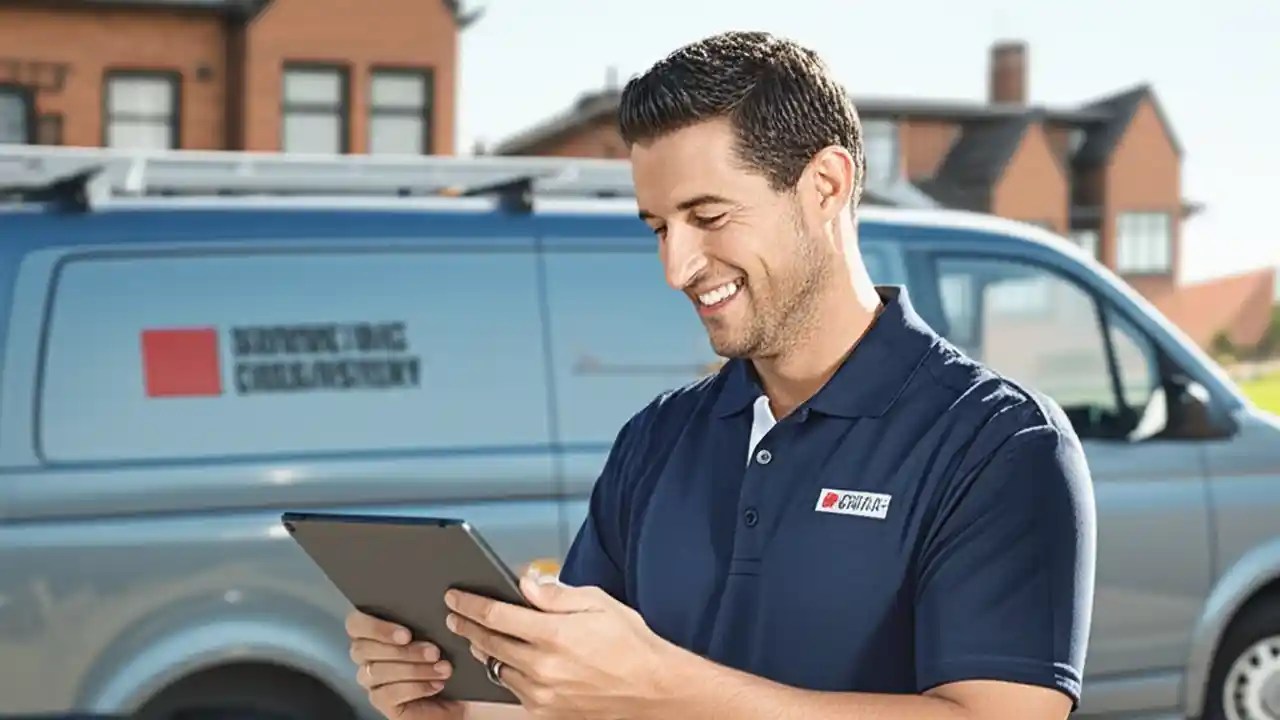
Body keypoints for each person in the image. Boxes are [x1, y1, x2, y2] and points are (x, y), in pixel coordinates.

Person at [345, 30, 1097, 720]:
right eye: (659, 228)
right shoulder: (656, 439)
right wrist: (464, 710)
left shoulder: (1001, 444)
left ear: (825, 186)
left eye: (708, 216)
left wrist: (667, 689)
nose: (677, 267)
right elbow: (584, 696)